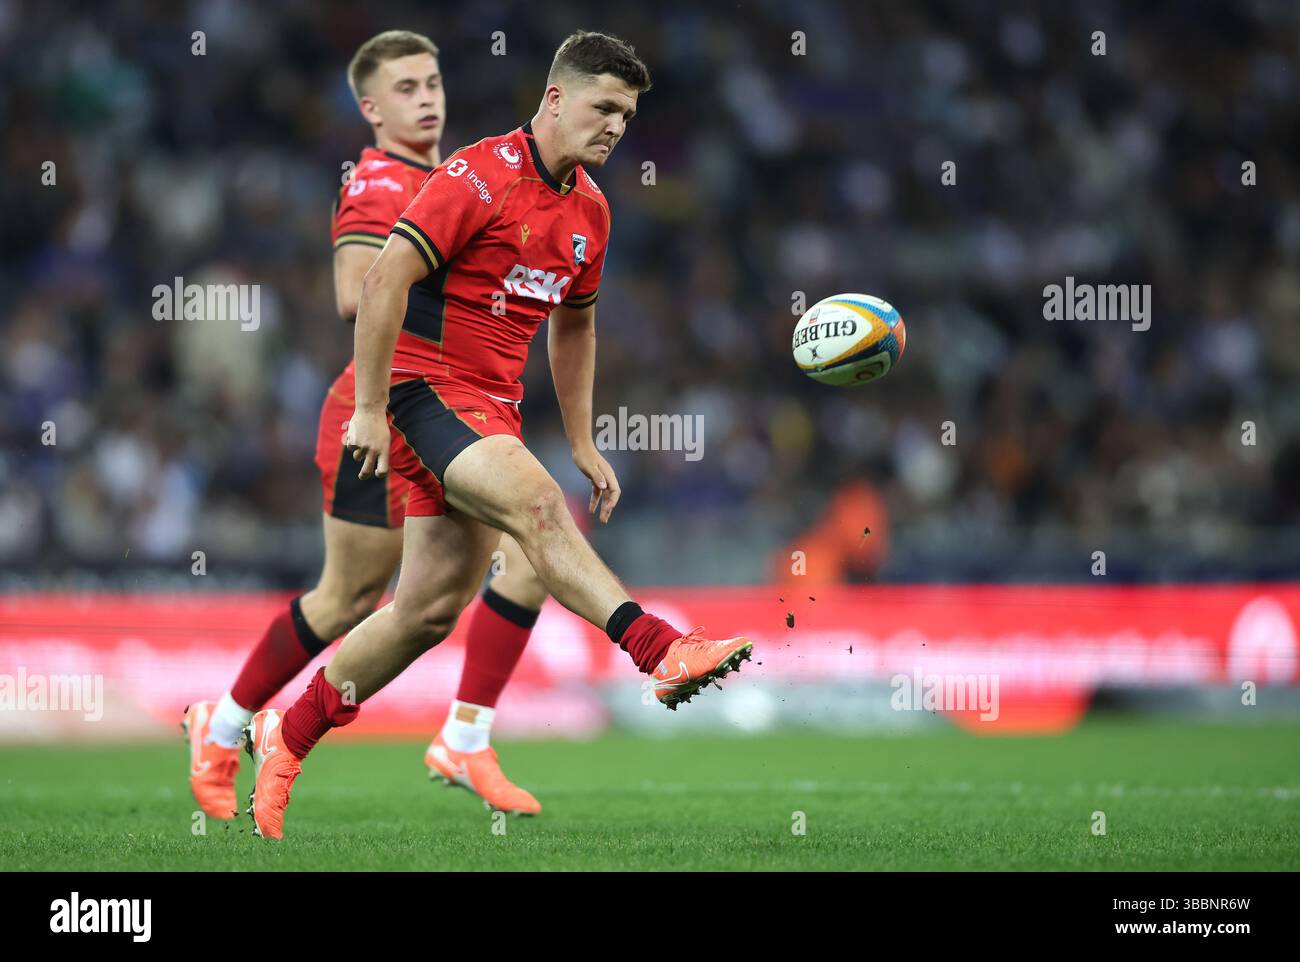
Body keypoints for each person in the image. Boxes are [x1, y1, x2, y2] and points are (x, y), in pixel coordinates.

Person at [244, 31, 754, 839]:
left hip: (488, 408)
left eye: (627, 114)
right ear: (555, 99)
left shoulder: (591, 210)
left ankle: (288, 731)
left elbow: (575, 330)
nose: (617, 126)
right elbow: (380, 280)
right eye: (603, 107)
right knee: (541, 508)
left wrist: (585, 440)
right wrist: (370, 407)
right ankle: (659, 649)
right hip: (423, 392)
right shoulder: (476, 174)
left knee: (424, 612)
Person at [184, 29, 550, 822]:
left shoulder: (449, 178)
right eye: (407, 89)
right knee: (349, 599)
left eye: (433, 83)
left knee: (528, 551)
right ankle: (219, 729)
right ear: (370, 107)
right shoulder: (383, 182)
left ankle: (465, 733)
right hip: (375, 416)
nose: (427, 99)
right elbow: (355, 291)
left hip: (442, 408)